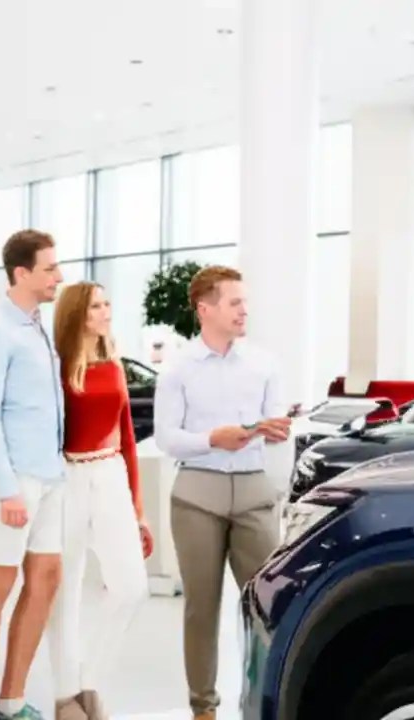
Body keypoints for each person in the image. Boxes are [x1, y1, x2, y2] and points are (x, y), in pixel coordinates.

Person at [0, 280, 154, 720]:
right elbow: (22, 414)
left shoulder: (116, 365)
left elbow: (127, 436)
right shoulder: (57, 364)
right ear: (76, 315)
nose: (106, 312)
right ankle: (67, 698)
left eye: (108, 303)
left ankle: (89, 682)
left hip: (110, 475)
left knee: (131, 588)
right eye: (96, 307)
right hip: (66, 474)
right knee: (63, 593)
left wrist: (139, 509)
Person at [153, 265, 292, 720]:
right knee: (202, 608)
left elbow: (274, 423)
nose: (243, 310)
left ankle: (267, 702)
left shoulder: (265, 362)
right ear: (205, 309)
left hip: (254, 490)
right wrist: (214, 438)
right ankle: (203, 709)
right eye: (235, 303)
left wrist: (271, 430)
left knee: (268, 607)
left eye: (244, 302)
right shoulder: (178, 368)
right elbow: (167, 437)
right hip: (198, 492)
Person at [0, 229, 66, 720]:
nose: (57, 276)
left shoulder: (36, 326)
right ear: (21, 273)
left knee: (46, 577)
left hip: (49, 474)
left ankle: (11, 700)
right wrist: (6, 490)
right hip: (14, 480)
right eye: (49, 268)